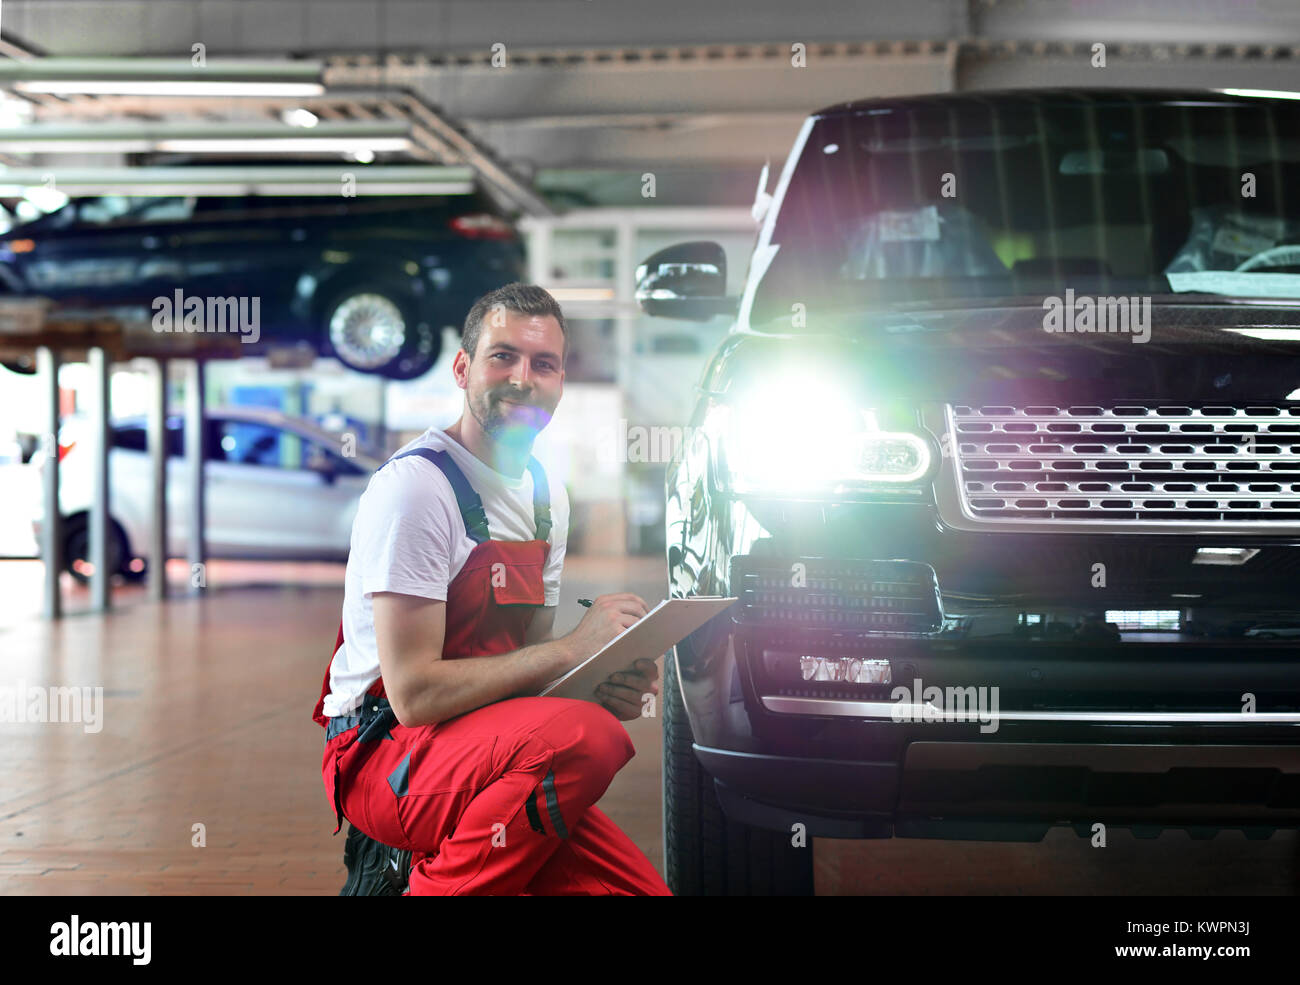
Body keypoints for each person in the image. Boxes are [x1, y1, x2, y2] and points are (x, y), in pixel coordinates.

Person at [310, 283, 672, 895]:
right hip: (384, 755)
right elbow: (414, 695)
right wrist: (572, 649)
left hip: (482, 746)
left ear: (560, 383)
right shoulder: (419, 489)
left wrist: (597, 683)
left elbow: (526, 676)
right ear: (462, 369)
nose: (523, 379)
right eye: (503, 356)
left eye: (544, 364)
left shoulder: (546, 497)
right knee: (585, 739)